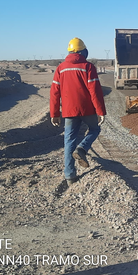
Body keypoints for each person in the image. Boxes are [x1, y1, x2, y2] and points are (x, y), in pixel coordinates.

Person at [50, 37, 107, 185]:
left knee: (69, 140)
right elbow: (94, 91)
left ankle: (70, 175)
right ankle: (82, 148)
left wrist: (55, 113)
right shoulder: (88, 67)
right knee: (95, 129)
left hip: (69, 111)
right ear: (83, 51)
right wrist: (100, 111)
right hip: (87, 109)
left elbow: (54, 93)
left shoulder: (60, 68)